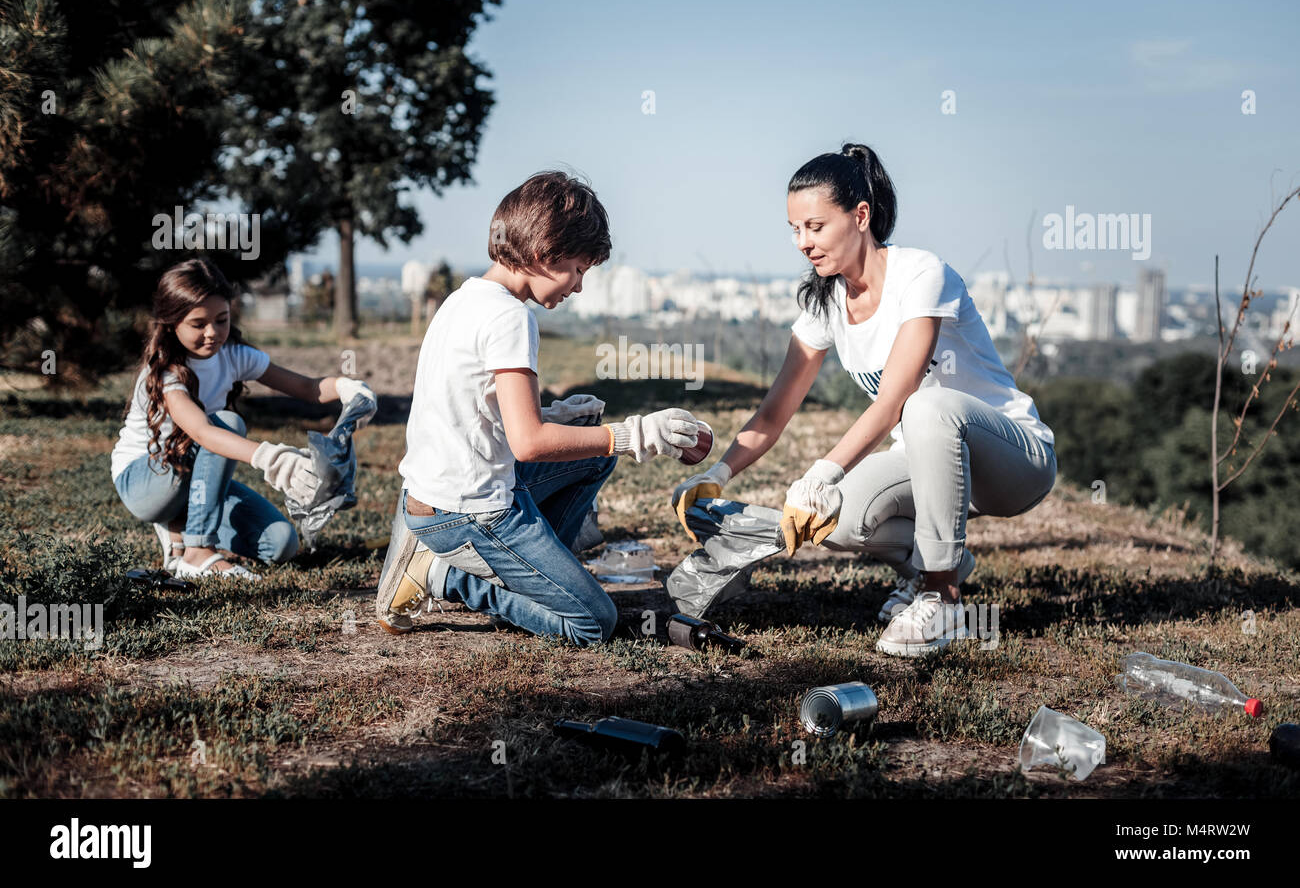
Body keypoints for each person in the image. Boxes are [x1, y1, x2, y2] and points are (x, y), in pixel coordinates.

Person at [670, 144, 1056, 656]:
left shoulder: (921, 275)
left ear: (860, 216)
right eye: (794, 229)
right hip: (931, 465)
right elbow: (774, 410)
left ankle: (943, 599)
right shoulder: (826, 301)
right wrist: (717, 474)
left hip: (1013, 463)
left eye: (816, 226)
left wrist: (822, 471)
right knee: (838, 520)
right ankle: (939, 565)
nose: (803, 243)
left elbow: (895, 399)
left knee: (924, 406)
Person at [378, 170, 707, 646]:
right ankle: (446, 578)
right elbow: (528, 443)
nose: (577, 287)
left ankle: (538, 573)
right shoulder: (512, 318)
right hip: (468, 513)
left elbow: (469, 410)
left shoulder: (464, 299)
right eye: (577, 270)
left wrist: (556, 415)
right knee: (594, 623)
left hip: (430, 498)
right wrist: (635, 434)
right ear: (543, 255)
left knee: (594, 454)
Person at [111, 258, 374, 581]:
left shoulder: (234, 355)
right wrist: (272, 458)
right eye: (198, 324)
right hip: (145, 482)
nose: (212, 333)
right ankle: (196, 552)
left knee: (280, 544)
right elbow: (204, 432)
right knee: (227, 422)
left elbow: (306, 387)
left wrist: (348, 388)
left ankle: (181, 524)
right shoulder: (164, 373)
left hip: (190, 478)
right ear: (170, 323)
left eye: (221, 320)